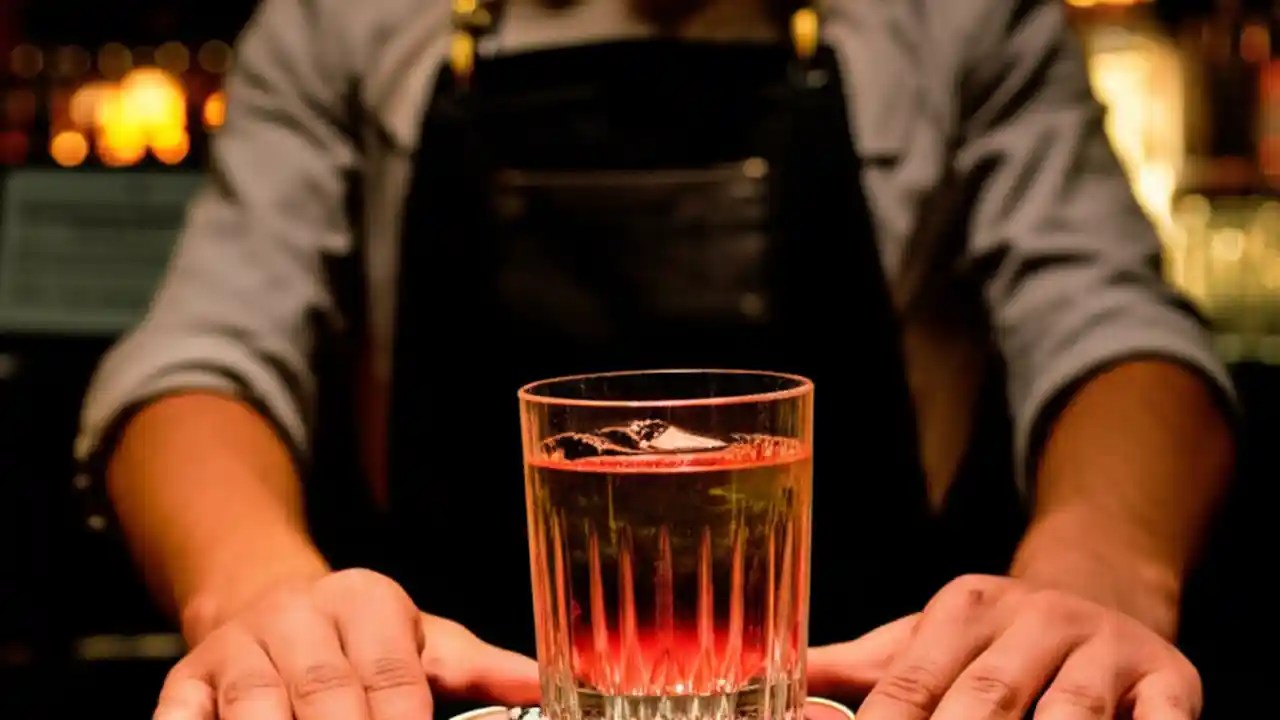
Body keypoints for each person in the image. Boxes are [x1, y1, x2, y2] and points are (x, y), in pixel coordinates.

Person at [78, 0, 1236, 718]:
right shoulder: (346, 19)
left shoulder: (961, 17)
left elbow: (1114, 324)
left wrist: (1094, 577)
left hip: (880, 689)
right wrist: (264, 599)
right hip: (445, 692)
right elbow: (201, 350)